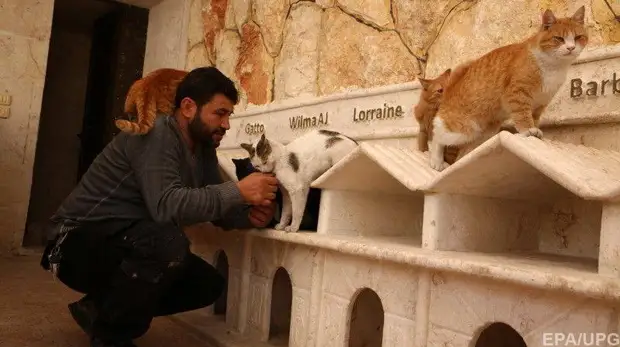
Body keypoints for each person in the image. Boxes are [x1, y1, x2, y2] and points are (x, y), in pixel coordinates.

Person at [39, 66, 279, 347]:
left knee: (206, 284)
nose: (226, 124)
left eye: (229, 115)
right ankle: (111, 338)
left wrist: (248, 214)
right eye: (220, 113)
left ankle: (99, 311)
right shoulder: (157, 133)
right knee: (167, 242)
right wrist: (237, 190)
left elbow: (217, 206)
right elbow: (167, 205)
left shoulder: (202, 150)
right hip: (72, 245)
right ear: (188, 107)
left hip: (125, 241)